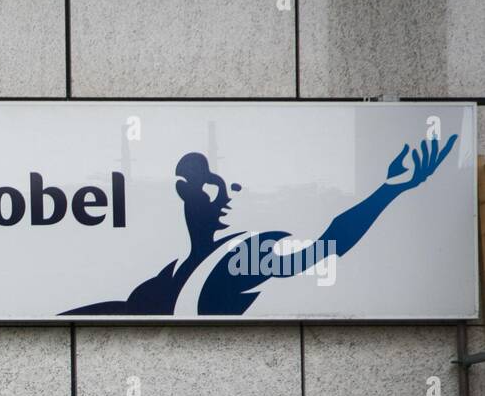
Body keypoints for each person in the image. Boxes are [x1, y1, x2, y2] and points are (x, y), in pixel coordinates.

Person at [63, 134, 458, 316]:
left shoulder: (249, 254)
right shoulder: (171, 272)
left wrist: (388, 191)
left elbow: (329, 244)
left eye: (215, 185)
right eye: (194, 186)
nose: (204, 196)